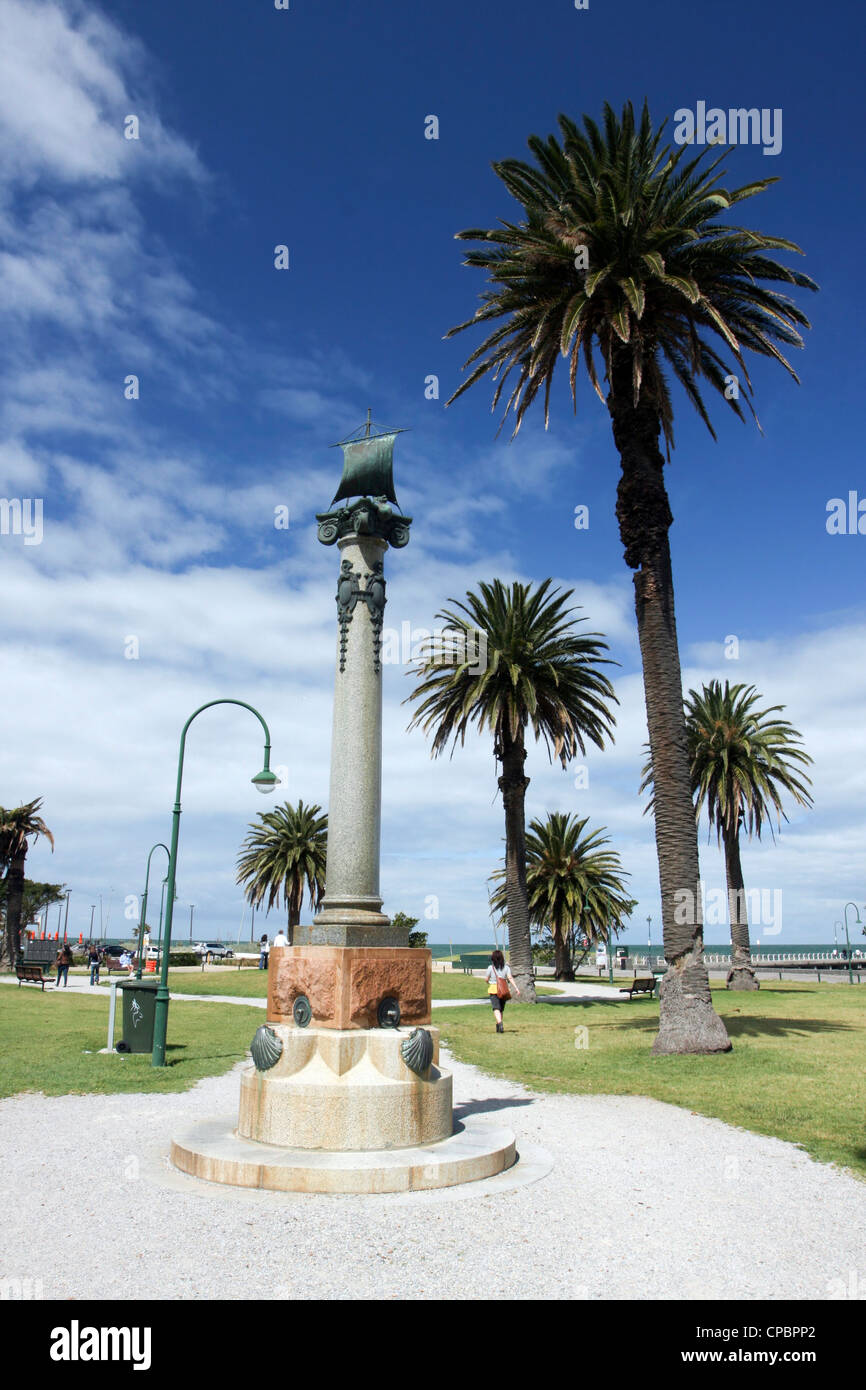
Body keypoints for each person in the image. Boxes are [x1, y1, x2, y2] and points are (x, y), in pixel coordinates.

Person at [485, 949, 519, 1032]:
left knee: (496, 1008)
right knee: (501, 1009)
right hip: (503, 990)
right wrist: (516, 988)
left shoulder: (490, 968)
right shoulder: (506, 968)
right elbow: (510, 977)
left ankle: (500, 1024)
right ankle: (499, 1026)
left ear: (493, 958)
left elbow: (486, 979)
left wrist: (488, 981)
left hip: (493, 989)